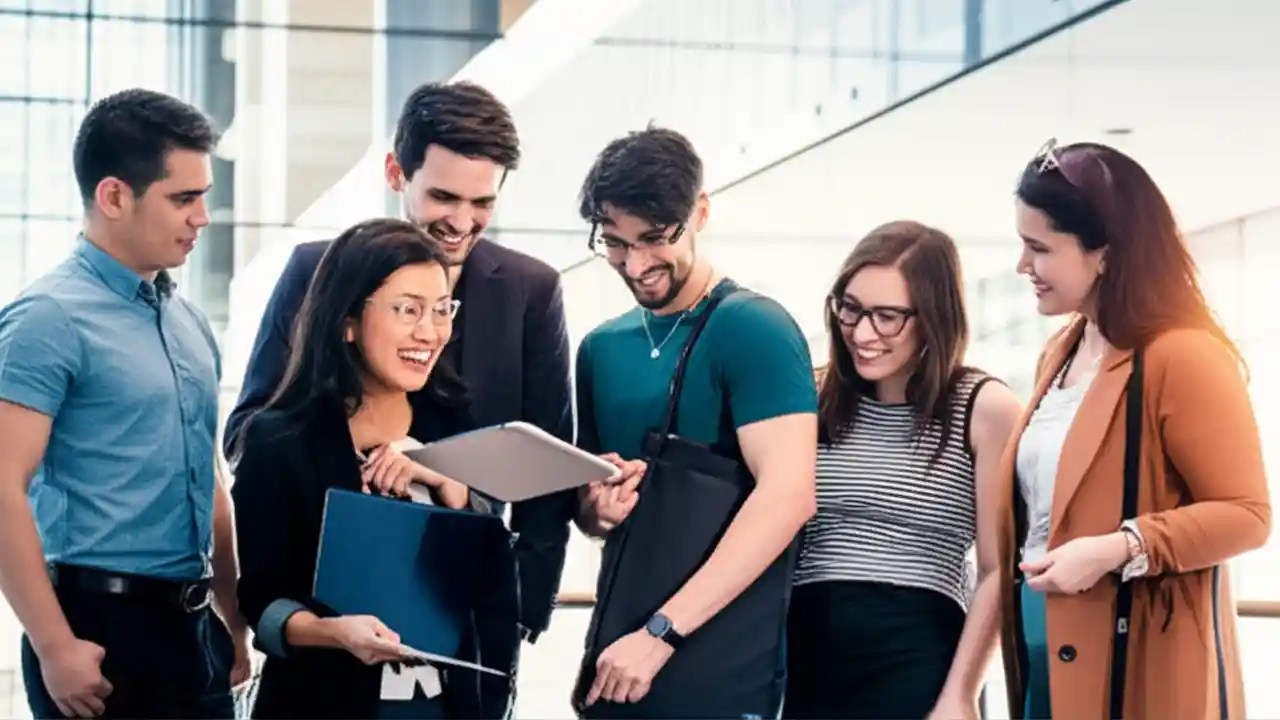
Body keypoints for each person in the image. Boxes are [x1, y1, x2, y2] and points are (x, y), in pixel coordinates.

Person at [223, 80, 574, 643]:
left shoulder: (532, 290)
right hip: (327, 600)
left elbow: (547, 469)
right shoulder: (316, 273)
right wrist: (363, 478)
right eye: (443, 198)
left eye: (482, 202)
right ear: (395, 173)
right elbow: (248, 432)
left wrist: (520, 616)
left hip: (468, 602)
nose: (462, 222)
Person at [996, 139, 1270, 719]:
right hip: (1044, 648)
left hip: (1138, 656)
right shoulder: (1060, 353)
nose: (1023, 267)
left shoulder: (1184, 356)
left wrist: (1119, 547)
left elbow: (1247, 514)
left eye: (1038, 248)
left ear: (1105, 254)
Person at [0, 88, 248, 719]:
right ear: (114, 196)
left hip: (194, 633)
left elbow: (209, 476)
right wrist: (55, 647)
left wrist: (232, 618)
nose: (203, 217)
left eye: (204, 195)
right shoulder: (46, 318)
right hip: (97, 631)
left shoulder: (189, 321)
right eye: (183, 198)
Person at [572, 127, 818, 718]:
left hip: (711, 648)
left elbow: (789, 496)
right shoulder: (600, 349)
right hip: (619, 647)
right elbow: (587, 510)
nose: (636, 264)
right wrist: (596, 508)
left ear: (700, 212)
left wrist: (662, 633)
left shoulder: (755, 328)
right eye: (614, 243)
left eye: (655, 238)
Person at [230, 218, 518, 719]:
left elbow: (492, 583)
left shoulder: (455, 423)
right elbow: (261, 602)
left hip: (443, 705)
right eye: (407, 310)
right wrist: (332, 633)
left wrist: (449, 482)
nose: (429, 333)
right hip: (323, 701)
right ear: (347, 320)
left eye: (441, 310)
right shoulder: (279, 441)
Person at [785, 221, 1022, 720]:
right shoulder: (810, 397)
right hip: (807, 654)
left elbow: (998, 568)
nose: (862, 333)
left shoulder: (984, 407)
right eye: (850, 309)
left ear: (934, 317)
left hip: (919, 659)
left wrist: (960, 694)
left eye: (888, 317)